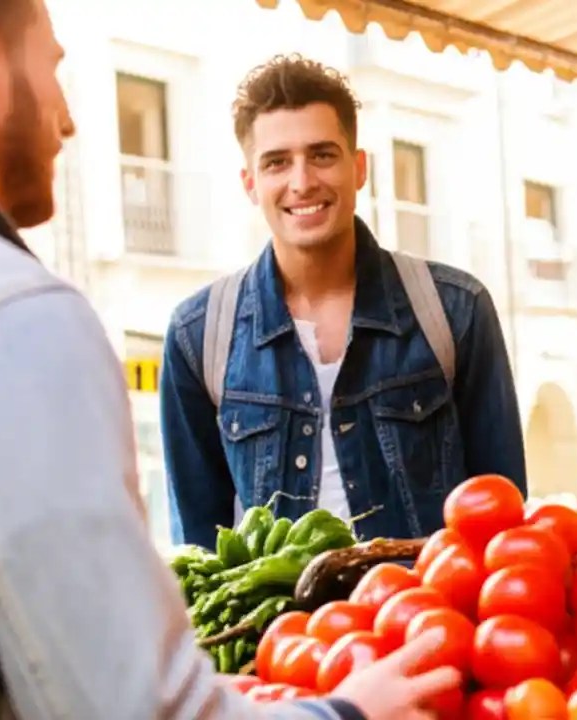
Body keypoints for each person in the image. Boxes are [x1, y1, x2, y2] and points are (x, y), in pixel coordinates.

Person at [0, 2, 458, 718]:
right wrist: (345, 712)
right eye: (53, 68)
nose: (67, 118)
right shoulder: (7, 315)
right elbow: (131, 706)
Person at [160, 55, 527, 548]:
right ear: (250, 183)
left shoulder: (454, 311)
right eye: (276, 162)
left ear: (359, 169)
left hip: (427, 621)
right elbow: (198, 548)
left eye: (322, 155)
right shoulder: (199, 335)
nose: (302, 181)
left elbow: (503, 521)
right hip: (282, 627)